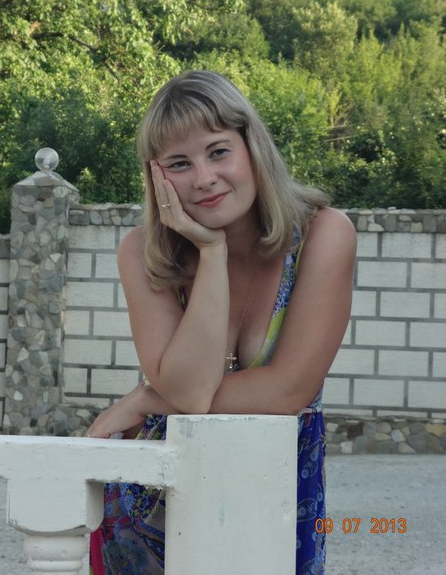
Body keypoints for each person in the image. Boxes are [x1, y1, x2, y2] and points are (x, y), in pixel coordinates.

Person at [87, 69, 356, 574]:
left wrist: (147, 397)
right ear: (156, 177)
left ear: (252, 148)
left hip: (277, 494)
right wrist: (211, 252)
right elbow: (190, 391)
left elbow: (287, 392)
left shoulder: (324, 236)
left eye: (217, 152)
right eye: (179, 164)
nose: (204, 178)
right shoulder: (143, 253)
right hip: (148, 513)